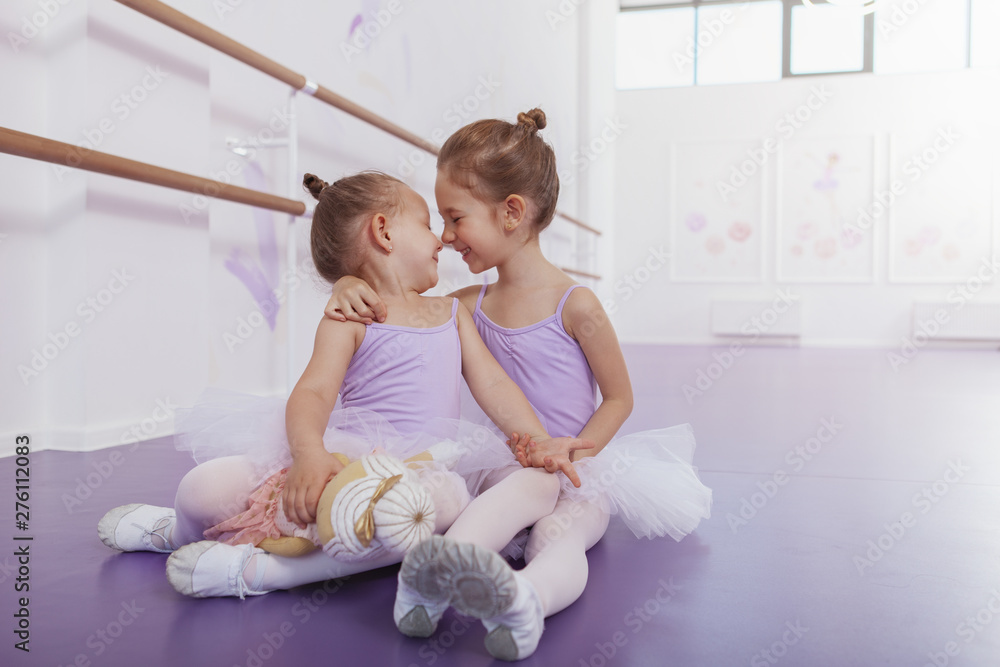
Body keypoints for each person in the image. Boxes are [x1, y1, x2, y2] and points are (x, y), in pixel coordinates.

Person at [323, 109, 713, 661]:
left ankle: (528, 600)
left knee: (561, 535)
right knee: (461, 510)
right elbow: (395, 307)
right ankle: (440, 570)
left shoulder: (576, 306)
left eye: (456, 219)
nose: (446, 236)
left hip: (577, 471)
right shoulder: (461, 306)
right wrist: (344, 281)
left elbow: (620, 398)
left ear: (511, 212)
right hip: (500, 468)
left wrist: (573, 448)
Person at [97, 170, 592, 600]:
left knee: (435, 507)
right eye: (425, 224)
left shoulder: (451, 313)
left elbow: (494, 384)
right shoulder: (349, 315)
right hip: (348, 456)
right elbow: (313, 392)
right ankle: (175, 531)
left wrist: (536, 439)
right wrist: (310, 454)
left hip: (422, 469)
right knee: (203, 487)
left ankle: (270, 572)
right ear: (384, 231)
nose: (440, 239)